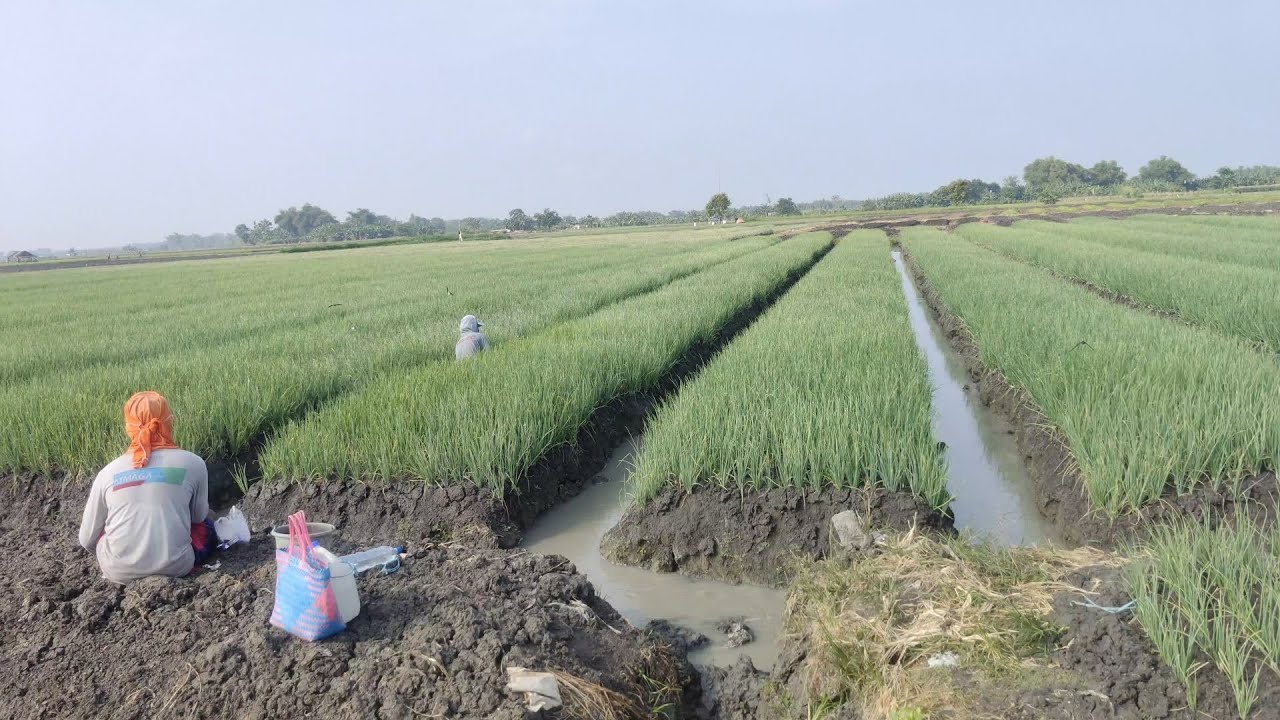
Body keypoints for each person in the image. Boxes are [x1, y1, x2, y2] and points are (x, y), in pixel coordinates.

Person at [78, 391, 214, 584]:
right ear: (168, 421)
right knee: (207, 526)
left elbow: (86, 539)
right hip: (177, 567)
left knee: (102, 526)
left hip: (118, 572)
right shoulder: (194, 463)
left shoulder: (107, 473)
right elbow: (198, 518)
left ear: (128, 427)